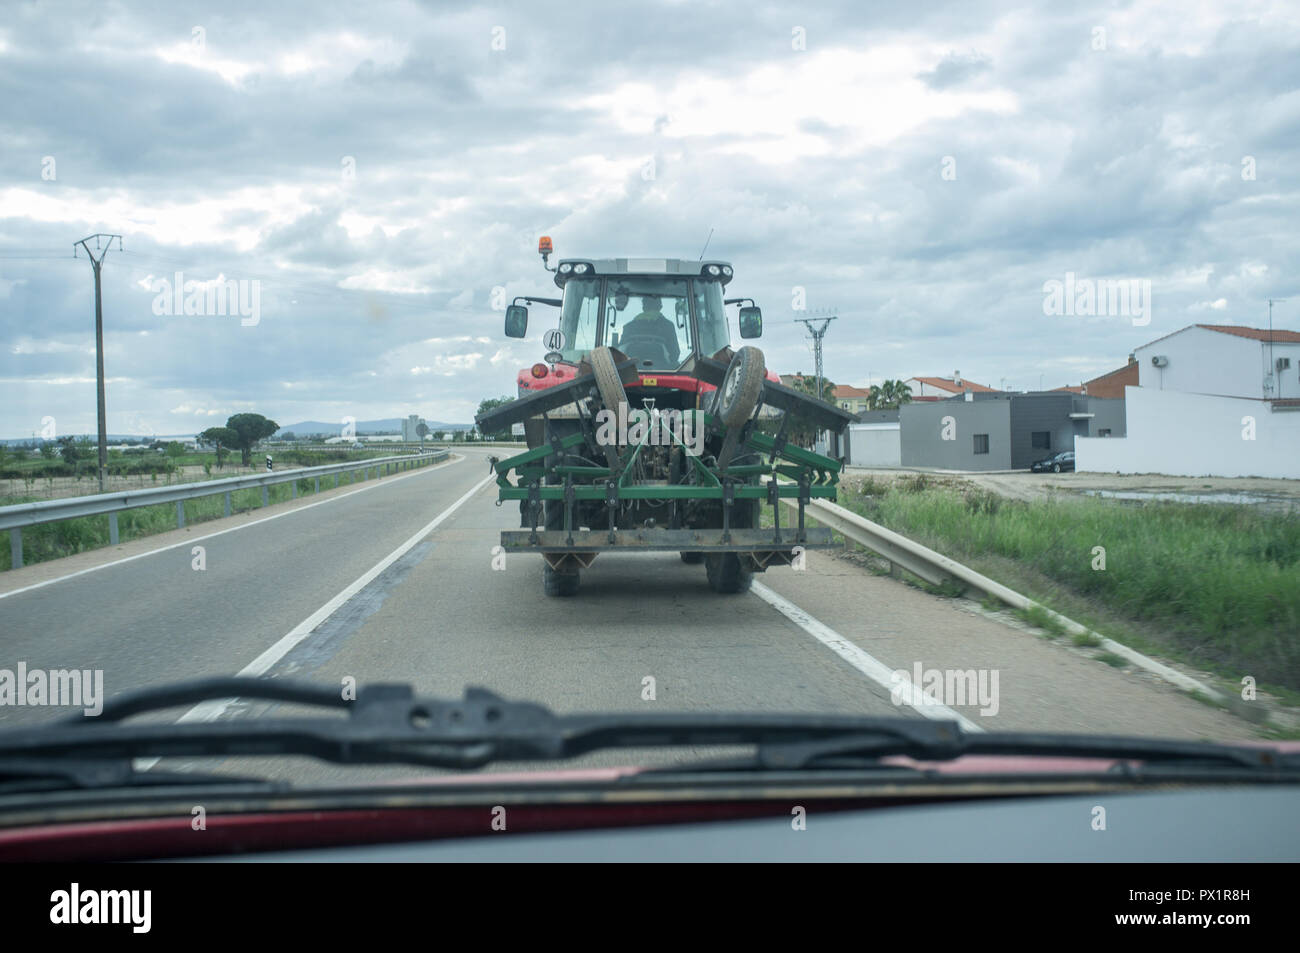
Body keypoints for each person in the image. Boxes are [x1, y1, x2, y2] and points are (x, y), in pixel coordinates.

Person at [621, 294, 680, 365]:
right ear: (660, 307)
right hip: (663, 371)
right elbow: (675, 353)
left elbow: (620, 352)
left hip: (631, 371)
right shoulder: (668, 325)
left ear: (643, 307)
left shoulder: (628, 327)